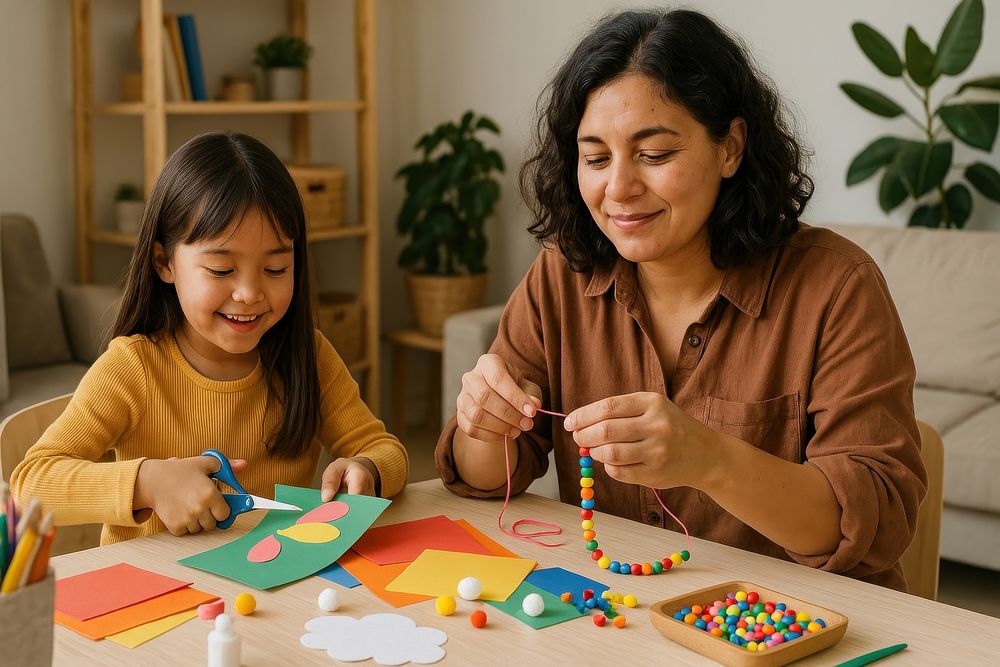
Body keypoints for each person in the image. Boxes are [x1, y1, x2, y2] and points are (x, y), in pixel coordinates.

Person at [435, 8, 926, 590]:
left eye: (655, 154)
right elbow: (488, 480)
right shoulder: (561, 276)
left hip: (790, 628)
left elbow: (877, 525)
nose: (618, 188)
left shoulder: (837, 286)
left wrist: (712, 459)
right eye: (595, 159)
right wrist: (482, 428)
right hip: (623, 619)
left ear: (730, 148)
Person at [11, 131, 408, 544]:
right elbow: (31, 483)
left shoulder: (308, 355)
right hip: (155, 596)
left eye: (276, 270)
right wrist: (148, 482)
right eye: (221, 270)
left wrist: (367, 469)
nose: (250, 294)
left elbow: (386, 449)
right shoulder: (132, 367)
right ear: (164, 262)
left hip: (276, 591)